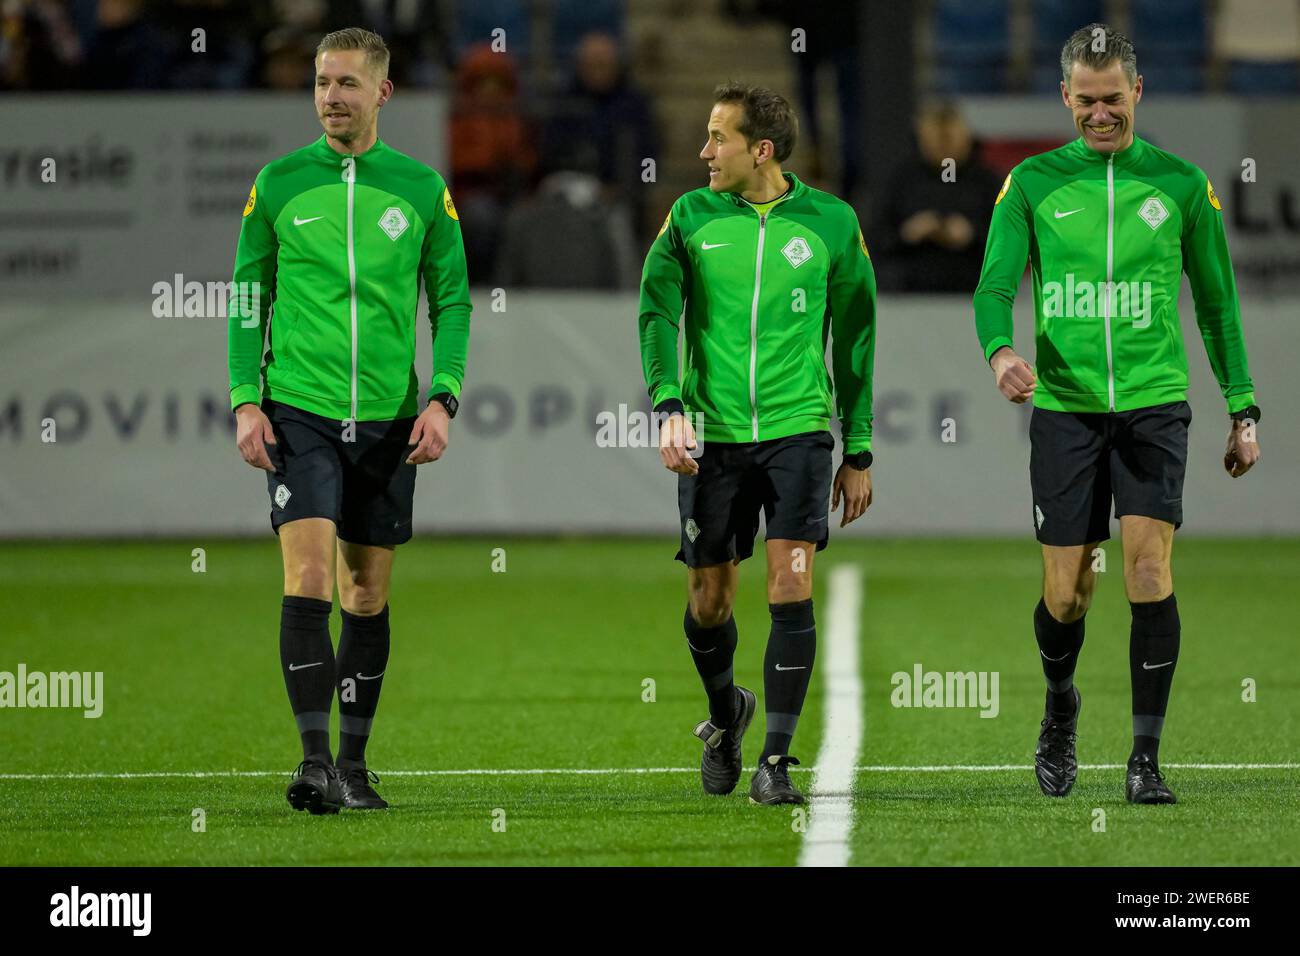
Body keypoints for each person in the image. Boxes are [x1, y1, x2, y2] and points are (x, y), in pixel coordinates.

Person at [973, 23, 1260, 805]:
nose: (1101, 114)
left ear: (1138, 92)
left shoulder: (1180, 185)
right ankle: (1061, 703)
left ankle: (1143, 758)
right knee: (1067, 594)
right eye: (1086, 101)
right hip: (1065, 410)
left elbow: (1217, 304)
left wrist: (1244, 408)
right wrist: (1000, 352)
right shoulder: (1030, 184)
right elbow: (995, 286)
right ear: (1066, 97)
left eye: (1114, 99)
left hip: (1153, 405)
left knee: (1146, 569)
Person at [228, 27, 471, 814]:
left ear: (382, 94)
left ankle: (357, 768)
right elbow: (244, 296)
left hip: (390, 420)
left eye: (347, 85)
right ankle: (314, 763)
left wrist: (444, 396)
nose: (331, 97)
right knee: (307, 578)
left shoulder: (421, 189)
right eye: (322, 83)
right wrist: (244, 396)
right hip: (298, 410)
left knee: (365, 594)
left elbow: (455, 301)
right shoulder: (279, 184)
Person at [639, 82, 876, 806]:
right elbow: (656, 312)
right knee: (710, 601)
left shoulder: (833, 223)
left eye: (719, 139)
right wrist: (668, 403)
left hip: (798, 433)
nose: (705, 152)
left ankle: (775, 761)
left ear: (761, 150)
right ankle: (725, 715)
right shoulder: (689, 217)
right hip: (711, 437)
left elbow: (857, 337)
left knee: (789, 585)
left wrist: (857, 447)